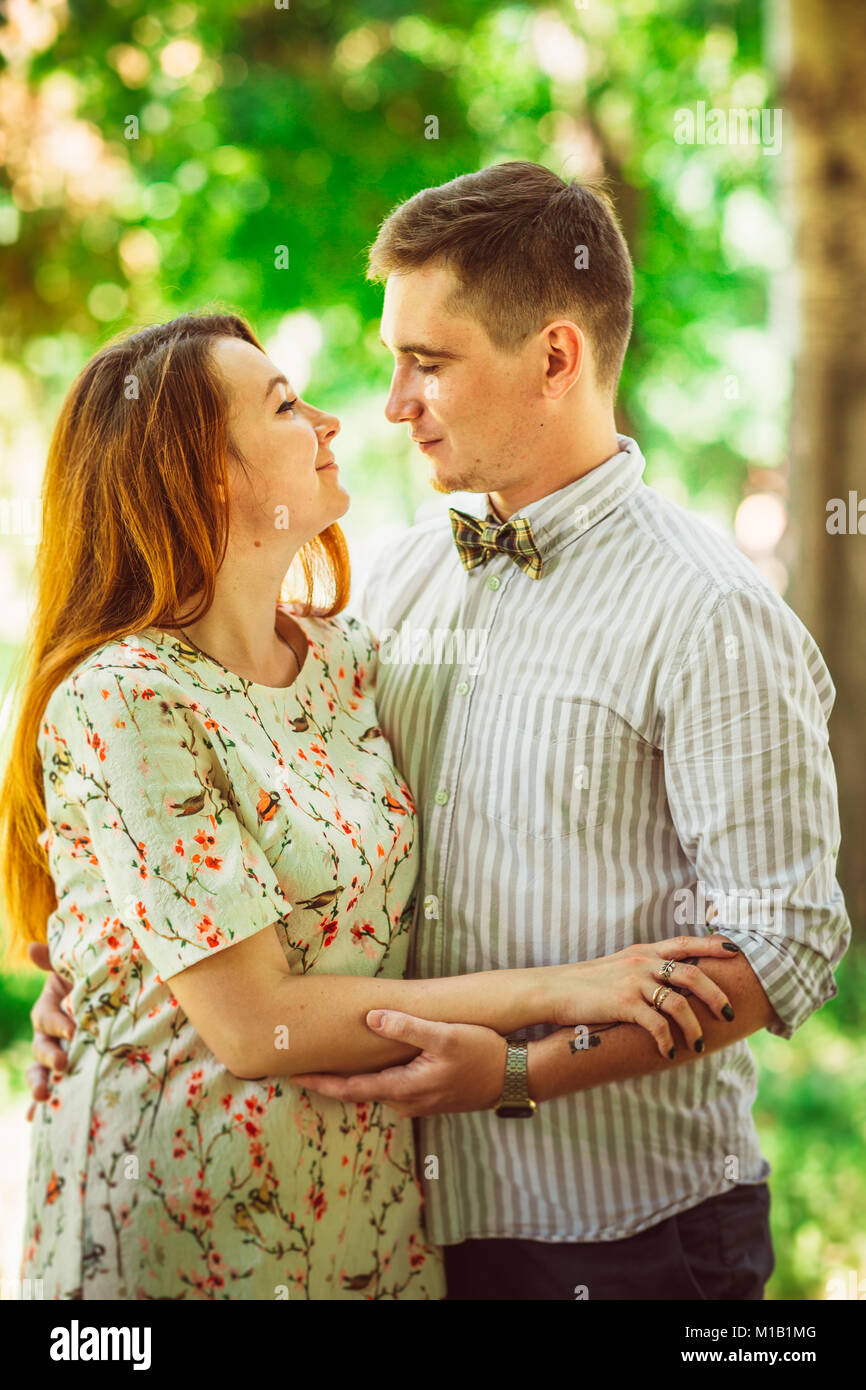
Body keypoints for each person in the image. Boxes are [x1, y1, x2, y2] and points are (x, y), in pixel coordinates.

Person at [3, 309, 738, 1301]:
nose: (333, 421)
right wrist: (567, 989)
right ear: (206, 474)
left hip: (368, 1224)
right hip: (185, 1225)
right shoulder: (127, 695)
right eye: (284, 406)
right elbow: (257, 1018)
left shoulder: (346, 661)